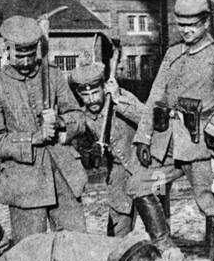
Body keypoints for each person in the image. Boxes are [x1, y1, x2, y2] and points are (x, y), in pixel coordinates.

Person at [131, 0, 214, 261]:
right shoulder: (173, 53)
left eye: (192, 24)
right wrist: (143, 137)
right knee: (142, 185)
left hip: (200, 147)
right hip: (168, 146)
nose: (185, 30)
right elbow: (156, 95)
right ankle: (165, 249)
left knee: (209, 205)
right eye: (181, 25)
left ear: (206, 22)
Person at [0, 15, 88, 241]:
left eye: (31, 54)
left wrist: (60, 121)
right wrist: (33, 138)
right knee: (30, 257)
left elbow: (79, 118)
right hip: (24, 186)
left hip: (64, 178)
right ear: (6, 48)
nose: (27, 61)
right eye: (20, 55)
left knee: (75, 250)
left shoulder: (54, 75)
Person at [66, 61, 153, 236]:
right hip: (118, 175)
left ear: (104, 87)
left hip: (150, 168)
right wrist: (92, 153)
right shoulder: (83, 117)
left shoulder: (122, 97)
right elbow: (86, 159)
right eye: (86, 95)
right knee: (118, 229)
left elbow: (149, 119)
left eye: (95, 92)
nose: (92, 99)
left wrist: (118, 100)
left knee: (156, 220)